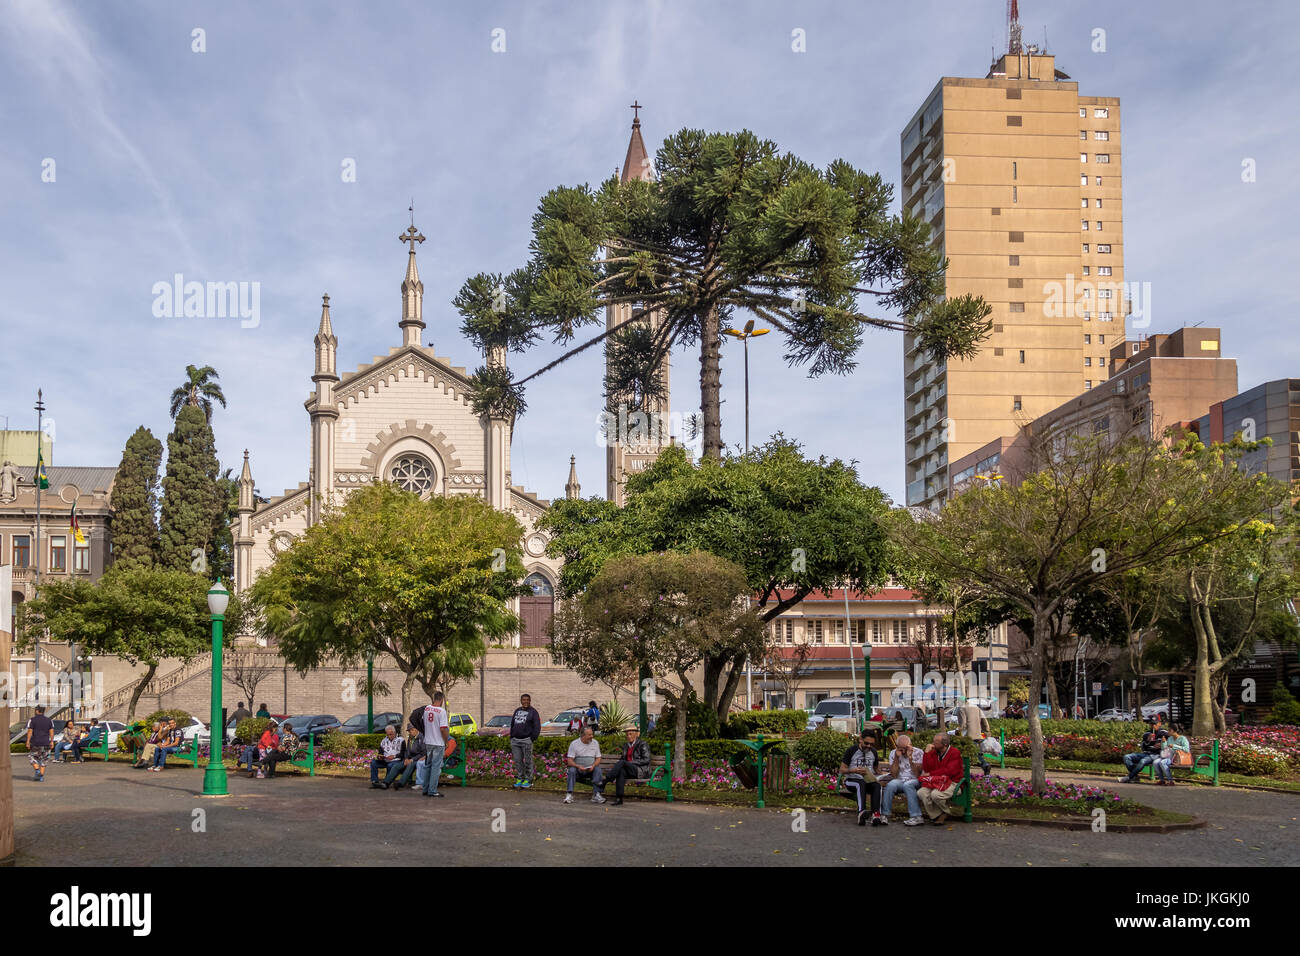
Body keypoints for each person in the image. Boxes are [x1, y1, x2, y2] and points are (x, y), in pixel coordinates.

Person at [839, 729, 883, 826]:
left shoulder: (873, 752)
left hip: (868, 781)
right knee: (860, 783)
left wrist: (882, 775)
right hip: (852, 780)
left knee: (877, 786)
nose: (869, 746)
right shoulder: (851, 750)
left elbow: (876, 769)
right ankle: (861, 812)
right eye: (866, 743)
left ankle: (876, 815)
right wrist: (853, 770)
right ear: (860, 740)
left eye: (871, 744)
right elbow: (842, 769)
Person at [881, 733, 925, 826]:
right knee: (890, 785)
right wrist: (897, 758)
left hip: (915, 780)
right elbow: (894, 775)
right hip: (900, 780)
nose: (903, 751)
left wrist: (910, 758)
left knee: (908, 785)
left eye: (905, 748)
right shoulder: (893, 753)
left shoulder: (919, 752)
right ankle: (885, 814)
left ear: (910, 745)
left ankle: (916, 817)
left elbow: (917, 774)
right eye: (900, 749)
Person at [605, 726, 651, 806]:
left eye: (630, 734)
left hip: (640, 771)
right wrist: (622, 765)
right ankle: (619, 798)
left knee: (623, 763)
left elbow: (646, 760)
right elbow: (622, 759)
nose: (628, 736)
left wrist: (630, 763)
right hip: (629, 770)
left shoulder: (643, 744)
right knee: (621, 771)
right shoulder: (626, 745)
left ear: (636, 734)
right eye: (627, 735)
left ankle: (606, 780)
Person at [563, 725, 606, 804]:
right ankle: (569, 794)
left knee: (598, 770)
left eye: (592, 734)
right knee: (571, 770)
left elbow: (598, 758)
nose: (592, 736)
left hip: (591, 770)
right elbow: (569, 761)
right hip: (578, 770)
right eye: (589, 735)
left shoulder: (595, 743)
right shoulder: (574, 744)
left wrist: (593, 765)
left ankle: (596, 794)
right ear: (583, 735)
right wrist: (578, 766)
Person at [419, 692, 451, 798]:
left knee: (428, 766)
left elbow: (423, 723)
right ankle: (432, 790)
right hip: (438, 742)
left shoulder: (427, 709)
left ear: (433, 698)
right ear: (441, 700)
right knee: (435, 767)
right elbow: (443, 728)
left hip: (428, 741)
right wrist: (446, 741)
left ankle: (425, 789)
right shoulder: (441, 711)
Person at [509, 693, 541, 789]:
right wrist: (512, 736)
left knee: (528, 761)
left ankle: (528, 780)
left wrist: (532, 738)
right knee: (518, 761)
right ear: (521, 701)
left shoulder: (533, 712)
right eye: (524, 700)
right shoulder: (517, 710)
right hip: (515, 741)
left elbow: (537, 726)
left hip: (526, 740)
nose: (525, 701)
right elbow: (512, 724)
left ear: (530, 701)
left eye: (527, 700)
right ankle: (520, 778)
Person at [958, 701, 992, 776]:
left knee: (965, 753)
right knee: (976, 752)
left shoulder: (962, 708)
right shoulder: (976, 708)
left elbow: (963, 724)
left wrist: (958, 731)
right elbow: (984, 720)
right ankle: (985, 765)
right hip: (977, 734)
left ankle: (965, 771)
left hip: (968, 735)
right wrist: (987, 731)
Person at [370, 724, 407, 789]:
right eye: (388, 734)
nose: (389, 736)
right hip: (385, 760)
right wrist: (380, 757)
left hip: (396, 760)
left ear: (395, 732)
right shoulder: (383, 741)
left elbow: (403, 753)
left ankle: (386, 782)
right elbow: (380, 752)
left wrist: (394, 756)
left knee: (390, 765)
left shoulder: (401, 740)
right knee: (373, 763)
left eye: (391, 734)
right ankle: (375, 781)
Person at [25, 705, 55, 782]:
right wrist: (52, 741)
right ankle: (40, 777)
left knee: (32, 757)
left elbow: (30, 731)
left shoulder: (32, 720)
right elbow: (51, 731)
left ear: (37, 711)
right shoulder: (49, 720)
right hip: (46, 743)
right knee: (44, 759)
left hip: (35, 742)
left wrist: (28, 741)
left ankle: (37, 770)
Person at [394, 724, 426, 791]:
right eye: (409, 731)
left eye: (411, 730)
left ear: (416, 729)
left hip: (418, 758)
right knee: (397, 766)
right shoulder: (410, 738)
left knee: (410, 765)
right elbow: (407, 750)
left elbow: (423, 753)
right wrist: (406, 758)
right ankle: (386, 782)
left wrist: (412, 759)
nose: (410, 732)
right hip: (410, 758)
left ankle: (400, 783)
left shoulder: (422, 737)